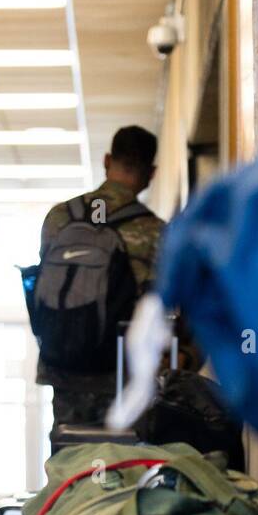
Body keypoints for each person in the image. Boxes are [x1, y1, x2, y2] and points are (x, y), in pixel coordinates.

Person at [35, 126, 165, 442]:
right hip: (122, 375)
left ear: (107, 160)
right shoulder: (156, 232)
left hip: (64, 366)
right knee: (125, 458)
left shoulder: (60, 217)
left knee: (69, 453)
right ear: (151, 174)